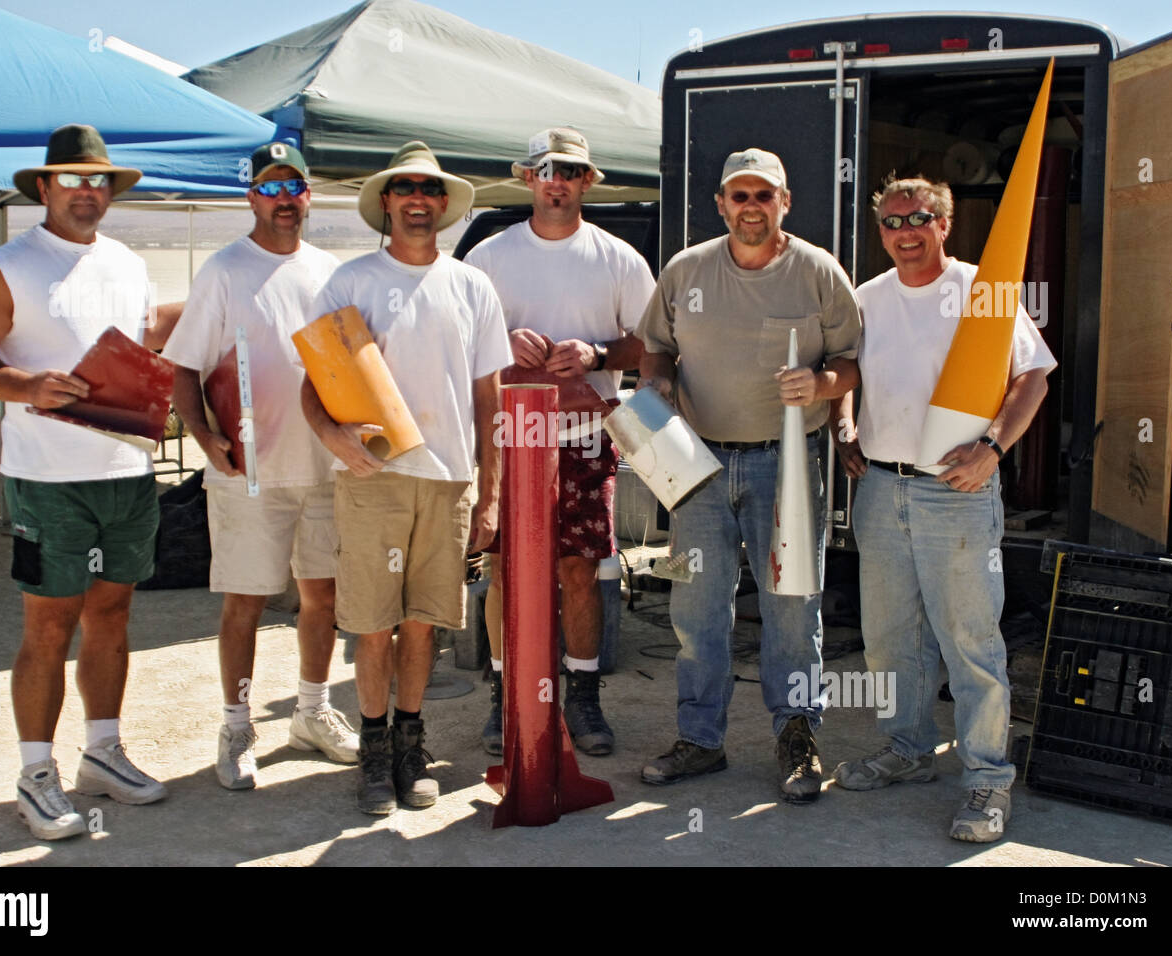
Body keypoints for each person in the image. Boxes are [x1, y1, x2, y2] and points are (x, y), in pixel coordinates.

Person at [0, 124, 180, 840]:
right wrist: (22, 384)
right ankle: (35, 773)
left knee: (112, 617)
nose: (86, 192)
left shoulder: (129, 263)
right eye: (72, 179)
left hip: (126, 473)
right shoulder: (6, 266)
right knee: (47, 627)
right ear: (43, 187)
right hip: (47, 478)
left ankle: (102, 752)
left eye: (98, 180)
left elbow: (140, 339)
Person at [830, 176, 1055, 841]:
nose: (906, 231)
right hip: (881, 487)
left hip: (955, 492)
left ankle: (987, 783)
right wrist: (844, 423)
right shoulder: (866, 299)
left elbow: (1033, 374)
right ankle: (908, 750)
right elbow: (846, 370)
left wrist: (993, 446)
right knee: (891, 637)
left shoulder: (980, 289)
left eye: (920, 218)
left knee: (970, 640)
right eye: (893, 221)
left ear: (946, 223)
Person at [635, 148, 861, 802]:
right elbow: (657, 348)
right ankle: (700, 740)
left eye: (765, 195)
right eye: (741, 195)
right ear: (722, 204)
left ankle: (799, 739)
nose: (752, 206)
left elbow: (852, 361)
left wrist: (822, 382)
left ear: (784, 202)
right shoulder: (686, 270)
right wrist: (655, 386)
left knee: (792, 610)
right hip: (696, 466)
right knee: (695, 608)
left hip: (786, 463)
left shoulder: (817, 271)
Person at [301, 141, 512, 815]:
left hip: (448, 481)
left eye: (430, 188)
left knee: (423, 625)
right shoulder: (350, 281)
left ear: (444, 204)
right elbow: (315, 386)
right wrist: (334, 438)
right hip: (373, 479)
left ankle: (411, 745)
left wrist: (491, 493)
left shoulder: (473, 285)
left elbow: (491, 399)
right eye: (405, 188)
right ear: (386, 202)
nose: (419, 198)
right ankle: (373, 751)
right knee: (371, 625)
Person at [161, 142, 356, 790]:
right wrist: (202, 437)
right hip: (249, 474)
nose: (284, 201)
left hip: (324, 470)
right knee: (244, 602)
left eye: (294, 187)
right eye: (270, 189)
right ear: (250, 197)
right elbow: (183, 367)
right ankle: (237, 724)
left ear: (308, 196)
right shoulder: (223, 270)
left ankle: (311, 712)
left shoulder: (331, 272)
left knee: (321, 597)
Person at [464, 128, 655, 757]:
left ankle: (583, 698)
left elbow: (653, 348)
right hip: (510, 436)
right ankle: (504, 697)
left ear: (587, 180)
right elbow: (459, 347)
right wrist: (502, 342)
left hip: (583, 436)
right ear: (526, 178)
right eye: (545, 169)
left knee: (581, 572)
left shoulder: (619, 258)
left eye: (570, 170)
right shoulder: (488, 258)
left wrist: (596, 351)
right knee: (507, 572)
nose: (557, 180)